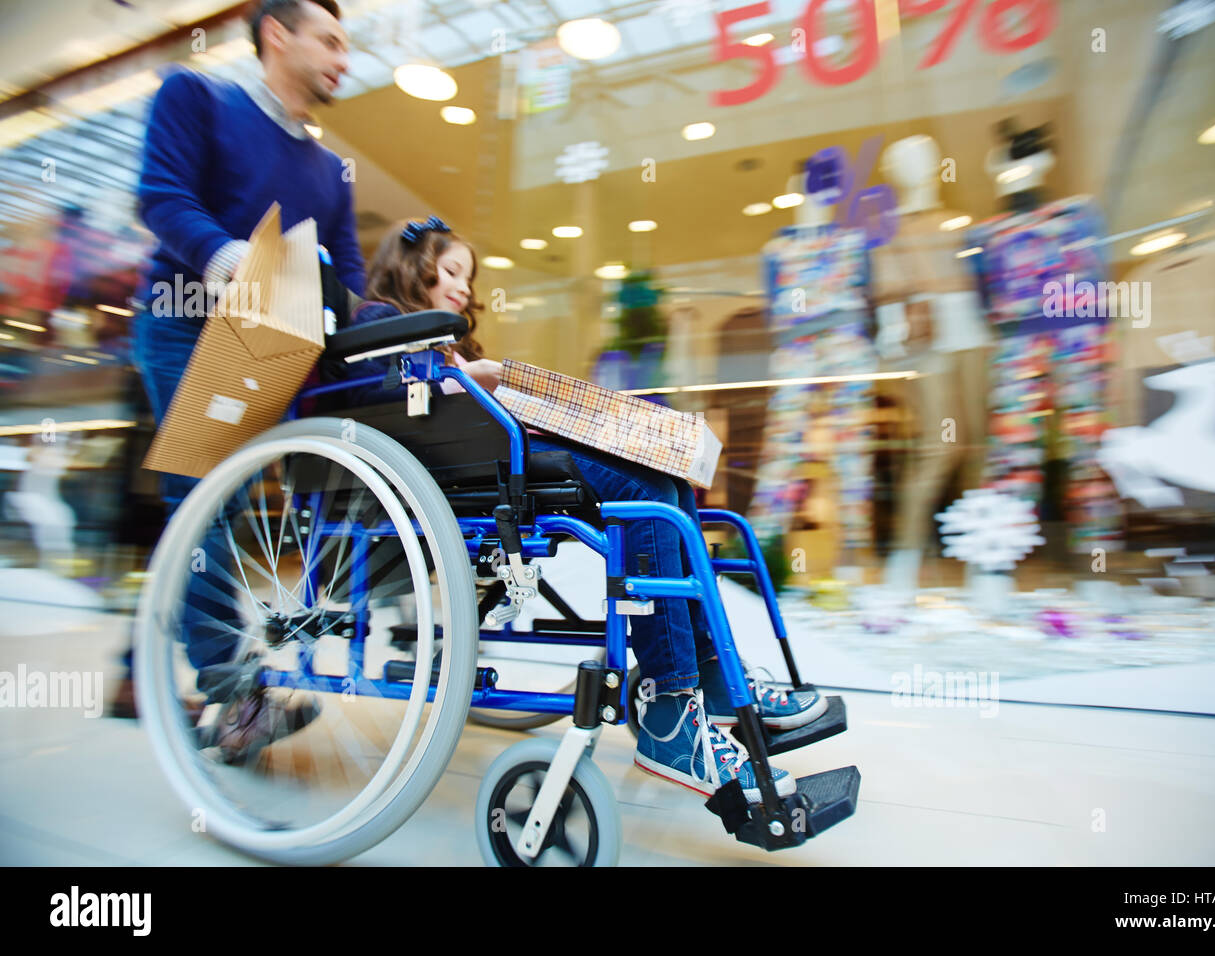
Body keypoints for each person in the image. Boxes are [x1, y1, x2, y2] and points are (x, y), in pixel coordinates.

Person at [331, 215, 829, 803]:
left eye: (469, 276)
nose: (465, 287)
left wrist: (465, 372)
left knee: (671, 487)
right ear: (413, 268)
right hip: (460, 476)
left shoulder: (442, 342)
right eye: (452, 272)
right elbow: (375, 402)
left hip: (490, 460)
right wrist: (463, 377)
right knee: (647, 498)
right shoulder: (379, 321)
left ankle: (715, 681)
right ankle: (673, 709)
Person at [114, 0, 360, 763]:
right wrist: (228, 261)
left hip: (271, 343)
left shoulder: (330, 172)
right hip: (185, 322)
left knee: (212, 504)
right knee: (208, 496)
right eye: (329, 40)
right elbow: (162, 197)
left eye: (347, 46)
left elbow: (345, 279)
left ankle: (136, 669)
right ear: (276, 34)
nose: (342, 59)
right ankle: (234, 692)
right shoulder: (196, 97)